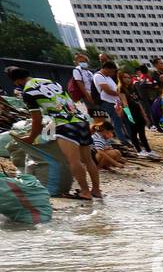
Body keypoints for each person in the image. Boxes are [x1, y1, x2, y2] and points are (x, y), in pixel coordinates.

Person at [8, 65, 102, 199]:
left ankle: (85, 191)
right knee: (88, 160)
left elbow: (37, 119)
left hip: (64, 125)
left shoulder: (28, 91)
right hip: (81, 121)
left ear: (17, 81)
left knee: (73, 160)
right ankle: (97, 190)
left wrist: (31, 137)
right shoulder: (52, 82)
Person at [92, 62, 134, 153]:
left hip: (115, 102)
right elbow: (107, 90)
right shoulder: (98, 76)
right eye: (112, 71)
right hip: (108, 102)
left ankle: (131, 137)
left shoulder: (107, 76)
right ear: (107, 69)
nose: (113, 74)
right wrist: (121, 94)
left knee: (124, 119)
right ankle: (123, 141)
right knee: (117, 121)